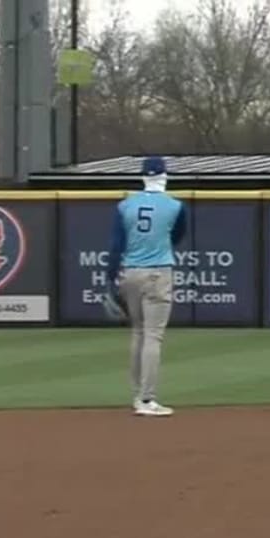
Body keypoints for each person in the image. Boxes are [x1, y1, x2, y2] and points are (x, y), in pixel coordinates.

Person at [105, 155, 187, 418]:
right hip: (158, 271)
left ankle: (137, 395)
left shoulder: (125, 205)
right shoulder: (175, 206)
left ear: (143, 177)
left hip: (131, 271)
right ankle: (147, 398)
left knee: (138, 333)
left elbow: (116, 245)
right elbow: (177, 236)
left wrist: (110, 279)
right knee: (153, 335)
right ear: (165, 176)